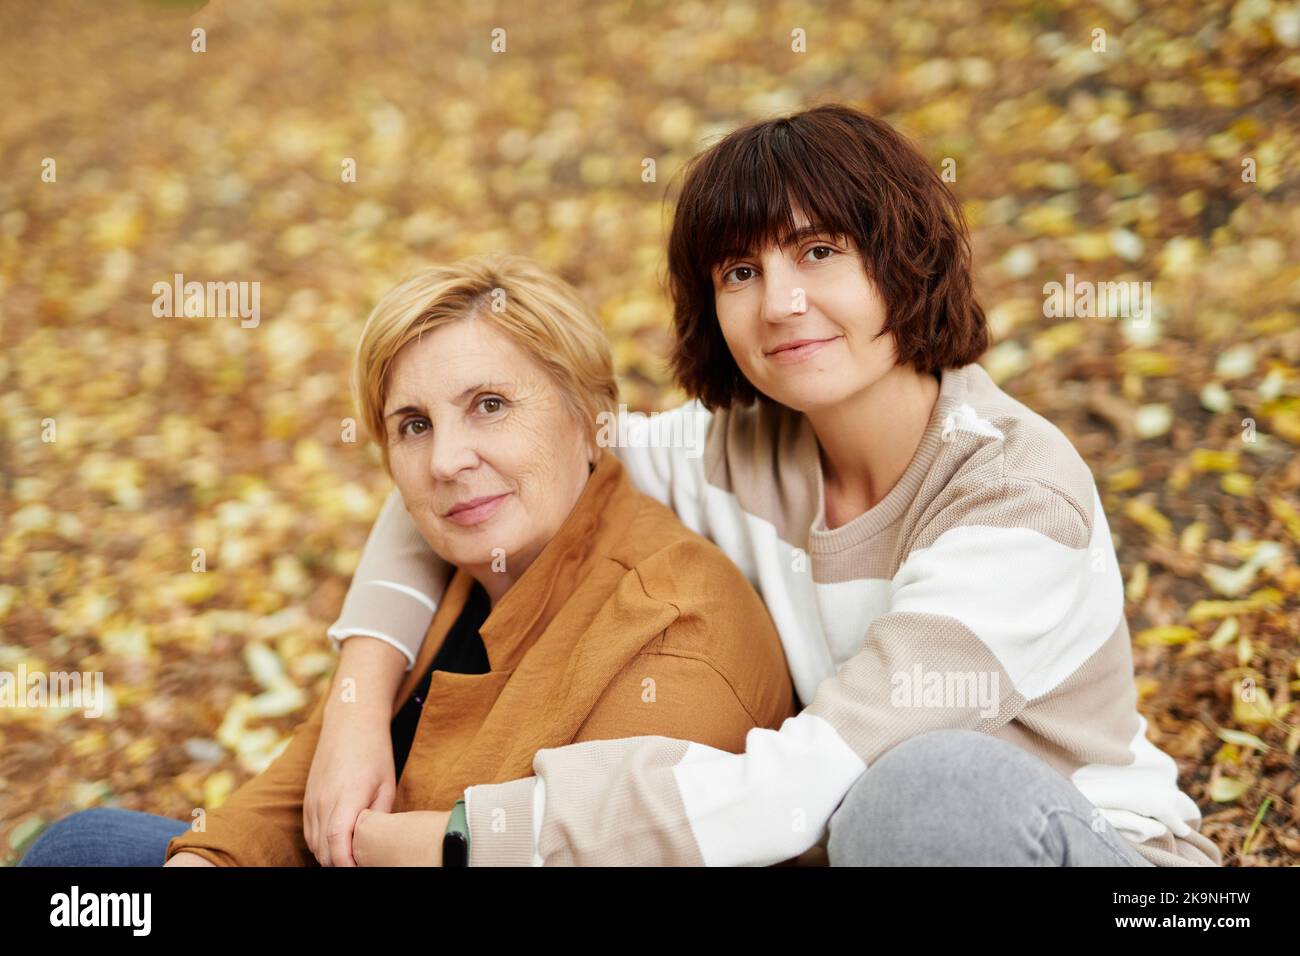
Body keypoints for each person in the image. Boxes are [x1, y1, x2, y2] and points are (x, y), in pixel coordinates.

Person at [308, 104, 1223, 867]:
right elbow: (485, 469)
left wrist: (472, 836)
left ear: (904, 255)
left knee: (921, 786)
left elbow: (804, 782)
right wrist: (357, 705)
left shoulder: (1015, 496)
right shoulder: (733, 454)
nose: (780, 303)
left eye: (818, 251)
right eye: (740, 272)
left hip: (1117, 869)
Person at [18, 254, 796, 867]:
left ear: (593, 421)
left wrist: (372, 843)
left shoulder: (674, 625)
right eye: (413, 425)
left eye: (490, 405)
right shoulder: (450, 573)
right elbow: (300, 795)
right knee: (80, 856)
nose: (448, 460)